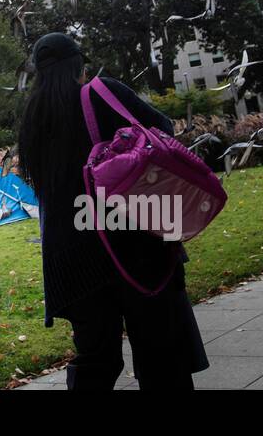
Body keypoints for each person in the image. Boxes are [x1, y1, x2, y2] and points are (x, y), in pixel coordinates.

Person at [19, 32, 208, 390]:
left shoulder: (32, 120)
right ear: (79, 64)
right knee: (161, 353)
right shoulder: (100, 92)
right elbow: (163, 131)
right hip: (133, 243)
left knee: (95, 359)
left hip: (71, 260)